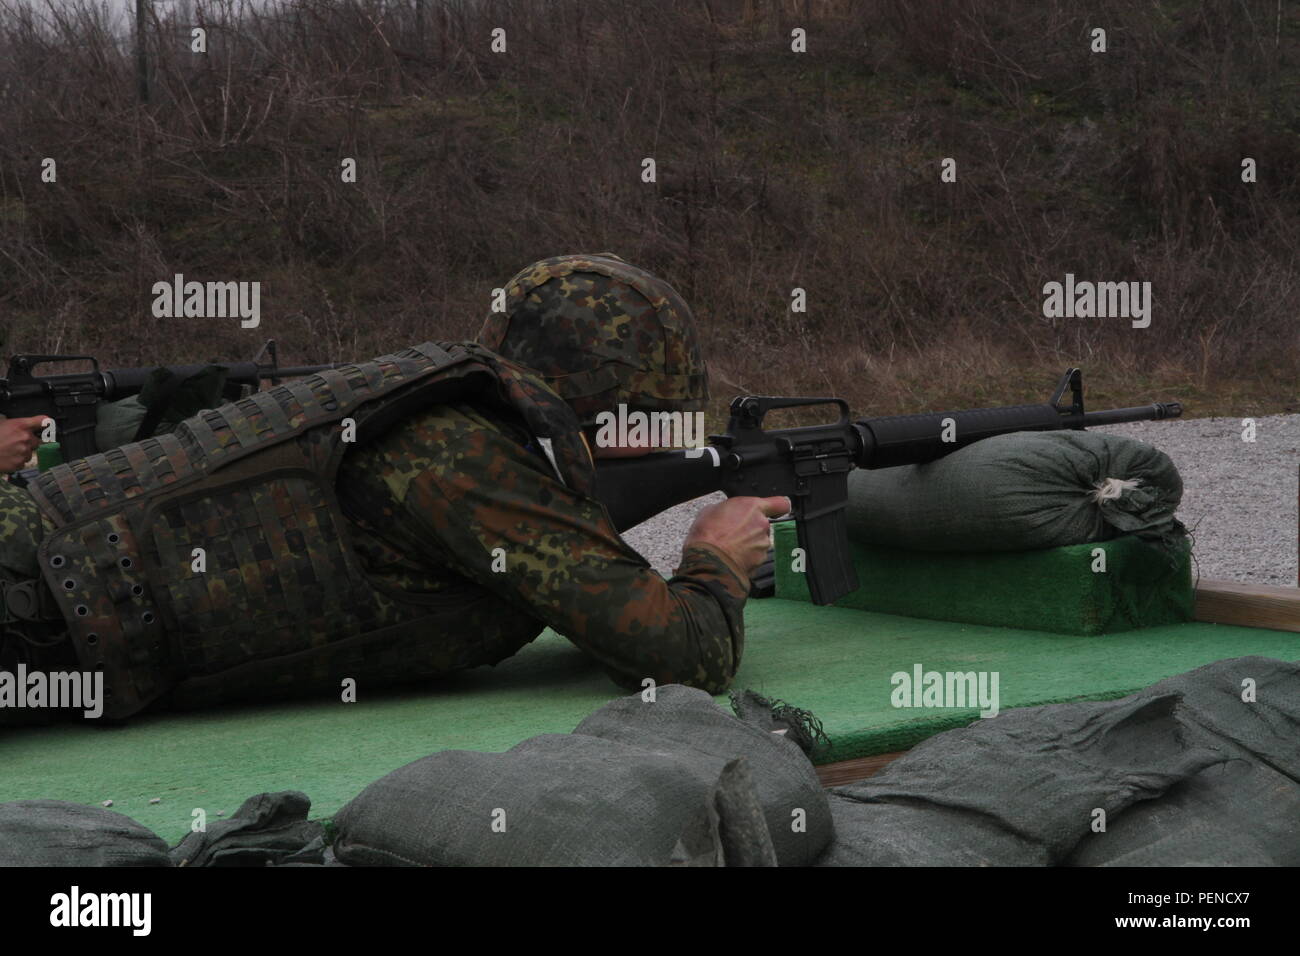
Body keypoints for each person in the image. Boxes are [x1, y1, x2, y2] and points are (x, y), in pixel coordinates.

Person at [1, 254, 787, 721]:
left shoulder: (428, 403)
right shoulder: (469, 457)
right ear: (601, 400)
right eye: (639, 422)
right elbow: (684, 658)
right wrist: (716, 555)